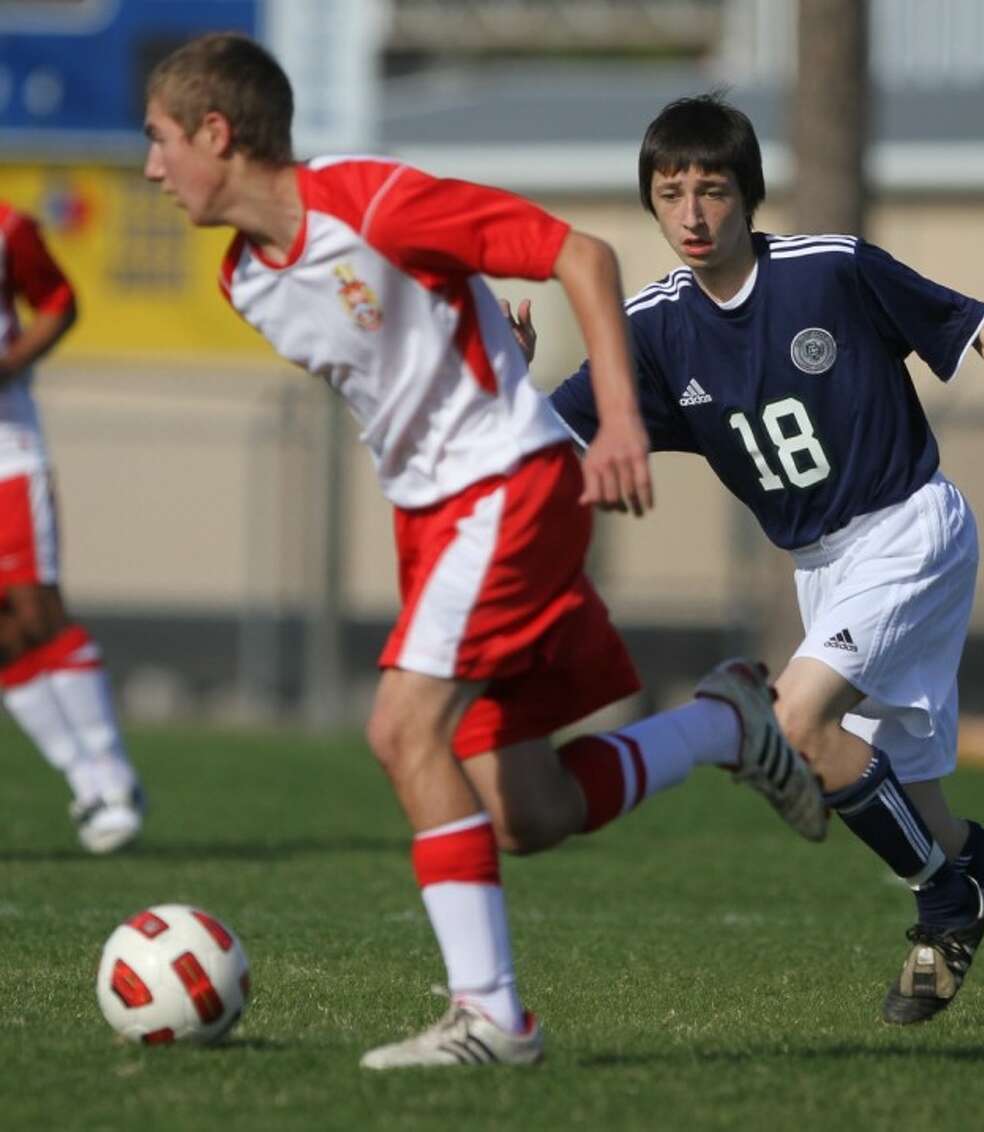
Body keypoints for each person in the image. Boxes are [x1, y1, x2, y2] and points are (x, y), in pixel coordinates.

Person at [142, 37, 826, 1070]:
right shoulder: (248, 281)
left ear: (215, 135)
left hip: (509, 491)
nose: (151, 167)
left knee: (400, 728)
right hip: (435, 520)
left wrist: (623, 423)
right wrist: (493, 345)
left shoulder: (371, 202)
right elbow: (412, 356)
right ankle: (726, 728)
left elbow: (582, 255)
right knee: (526, 810)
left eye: (158, 140)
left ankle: (493, 1017)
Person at [541, 94, 984, 1026]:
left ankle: (945, 911)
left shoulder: (826, 271)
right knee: (925, 815)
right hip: (824, 567)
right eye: (670, 193)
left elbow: (975, 319)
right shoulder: (654, 327)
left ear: (749, 196)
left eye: (712, 190)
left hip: (910, 528)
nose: (692, 214)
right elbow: (549, 428)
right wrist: (506, 381)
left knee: (792, 722)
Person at [0, 200, 144, 854]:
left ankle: (111, 774)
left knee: (37, 608)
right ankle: (85, 780)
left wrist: (7, 364)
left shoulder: (8, 226)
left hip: (8, 449)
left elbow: (59, 301)